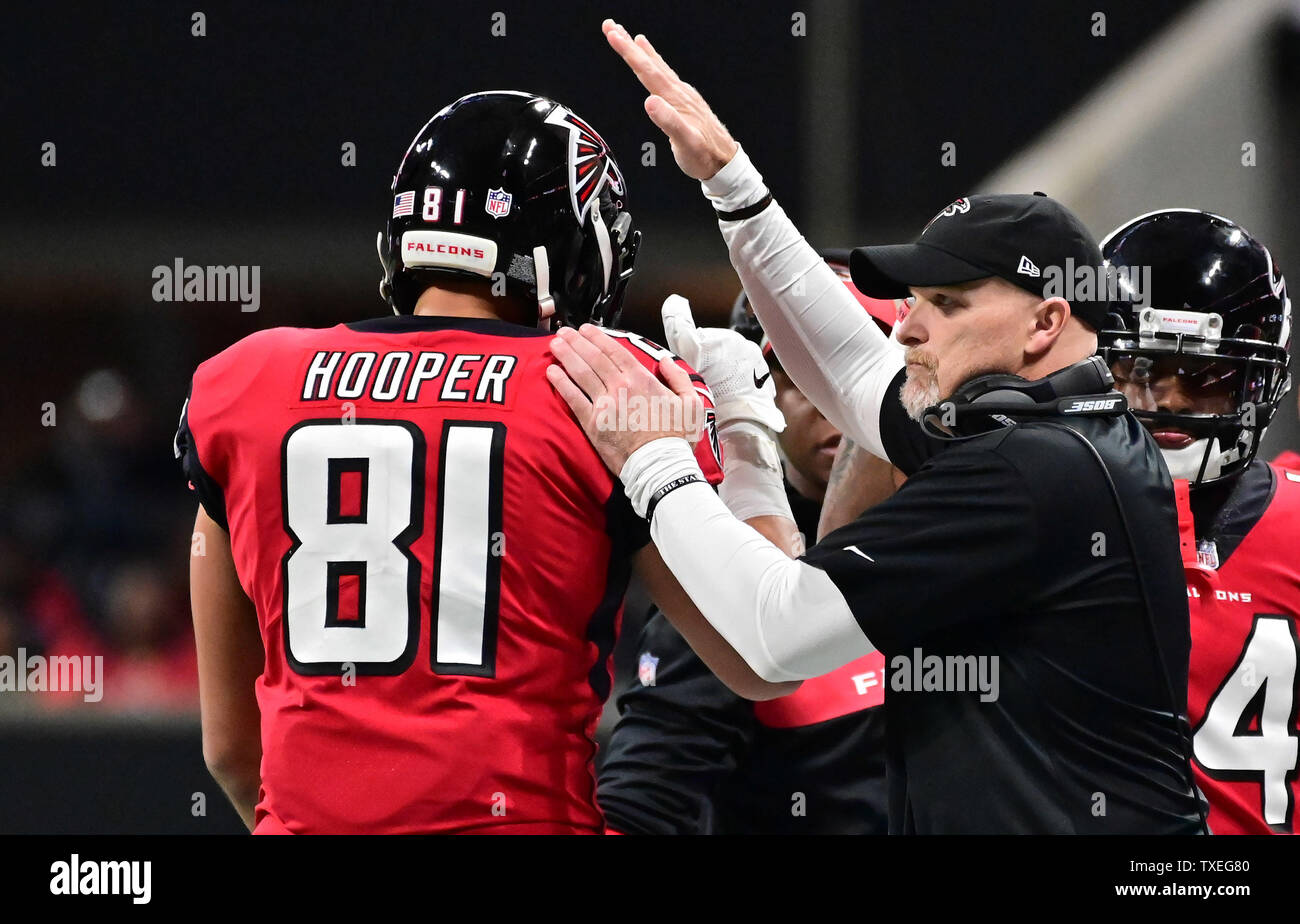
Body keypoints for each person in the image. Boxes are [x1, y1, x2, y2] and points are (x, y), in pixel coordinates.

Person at [543, 21, 1207, 833]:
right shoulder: (1061, 429)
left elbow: (773, 635)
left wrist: (652, 461)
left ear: (1046, 323)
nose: (908, 328)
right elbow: (859, 374)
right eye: (917, 302)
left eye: (948, 304)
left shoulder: (1029, 471)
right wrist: (732, 183)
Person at [175, 90, 753, 834]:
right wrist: (742, 429)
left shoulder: (246, 383)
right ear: (579, 253)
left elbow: (229, 748)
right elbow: (753, 651)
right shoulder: (600, 387)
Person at [598, 257, 895, 835]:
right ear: (760, 395)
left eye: (849, 361)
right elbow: (647, 802)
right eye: (794, 371)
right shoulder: (728, 586)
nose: (827, 392)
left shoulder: (980, 536)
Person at [1098, 208, 1298, 834]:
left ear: (1258, 381)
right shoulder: (1034, 511)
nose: (1175, 399)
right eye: (1145, 369)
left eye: (1208, 373)